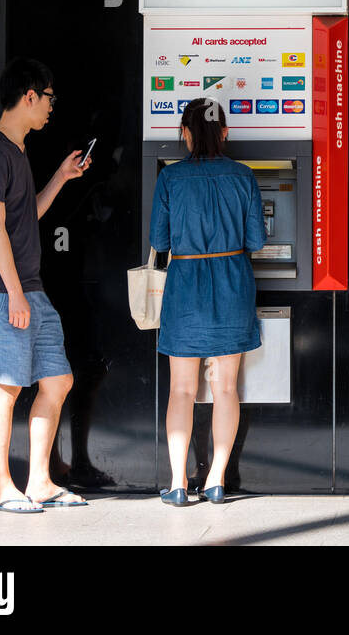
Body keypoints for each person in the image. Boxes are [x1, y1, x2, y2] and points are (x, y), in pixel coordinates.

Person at [0, 58, 90, 513]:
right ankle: (2, 488)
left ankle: (40, 482)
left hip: (27, 290)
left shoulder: (16, 152)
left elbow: (23, 222)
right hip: (3, 293)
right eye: (50, 98)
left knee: (57, 379)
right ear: (30, 96)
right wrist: (15, 294)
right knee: (6, 386)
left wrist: (60, 177)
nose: (52, 108)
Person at [150, 97, 265, 506]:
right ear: (224, 132)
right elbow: (256, 240)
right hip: (232, 283)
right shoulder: (243, 176)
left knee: (182, 390)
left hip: (185, 288)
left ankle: (179, 483)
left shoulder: (171, 178)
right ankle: (216, 479)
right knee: (226, 388)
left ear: (185, 134)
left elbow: (160, 242)